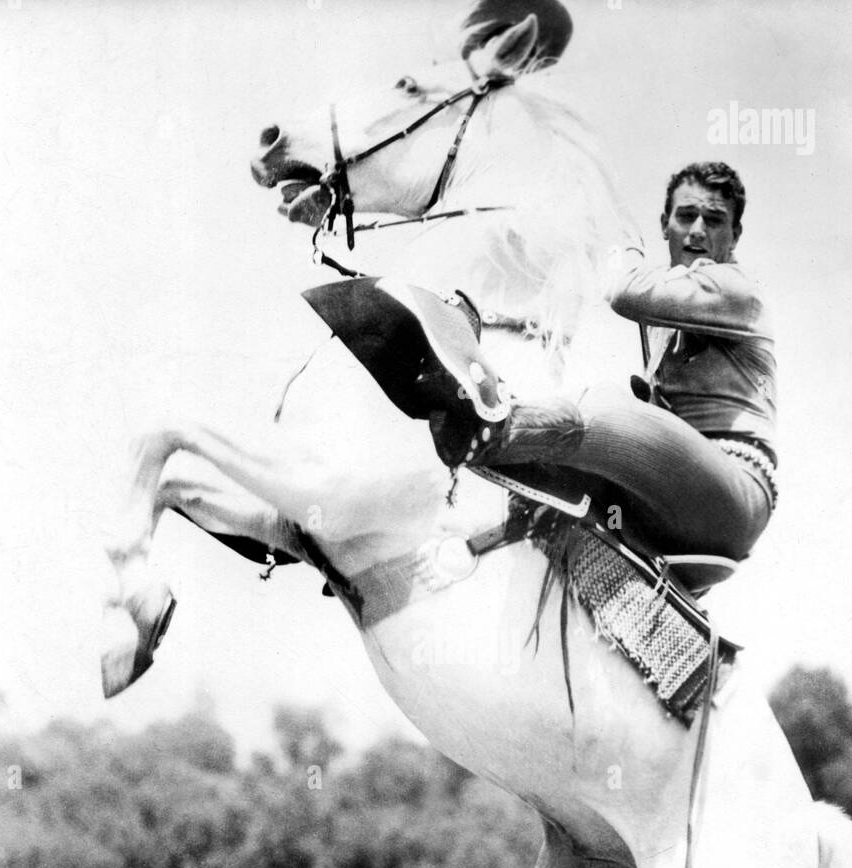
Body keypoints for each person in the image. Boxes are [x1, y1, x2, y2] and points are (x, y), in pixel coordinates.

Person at [305, 161, 777, 565]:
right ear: (667, 224)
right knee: (560, 497)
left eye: (714, 220)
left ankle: (488, 417)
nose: (697, 230)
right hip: (670, 502)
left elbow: (622, 288)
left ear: (734, 235)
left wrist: (619, 234)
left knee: (607, 403)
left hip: (732, 491)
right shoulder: (667, 318)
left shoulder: (738, 290)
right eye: (686, 215)